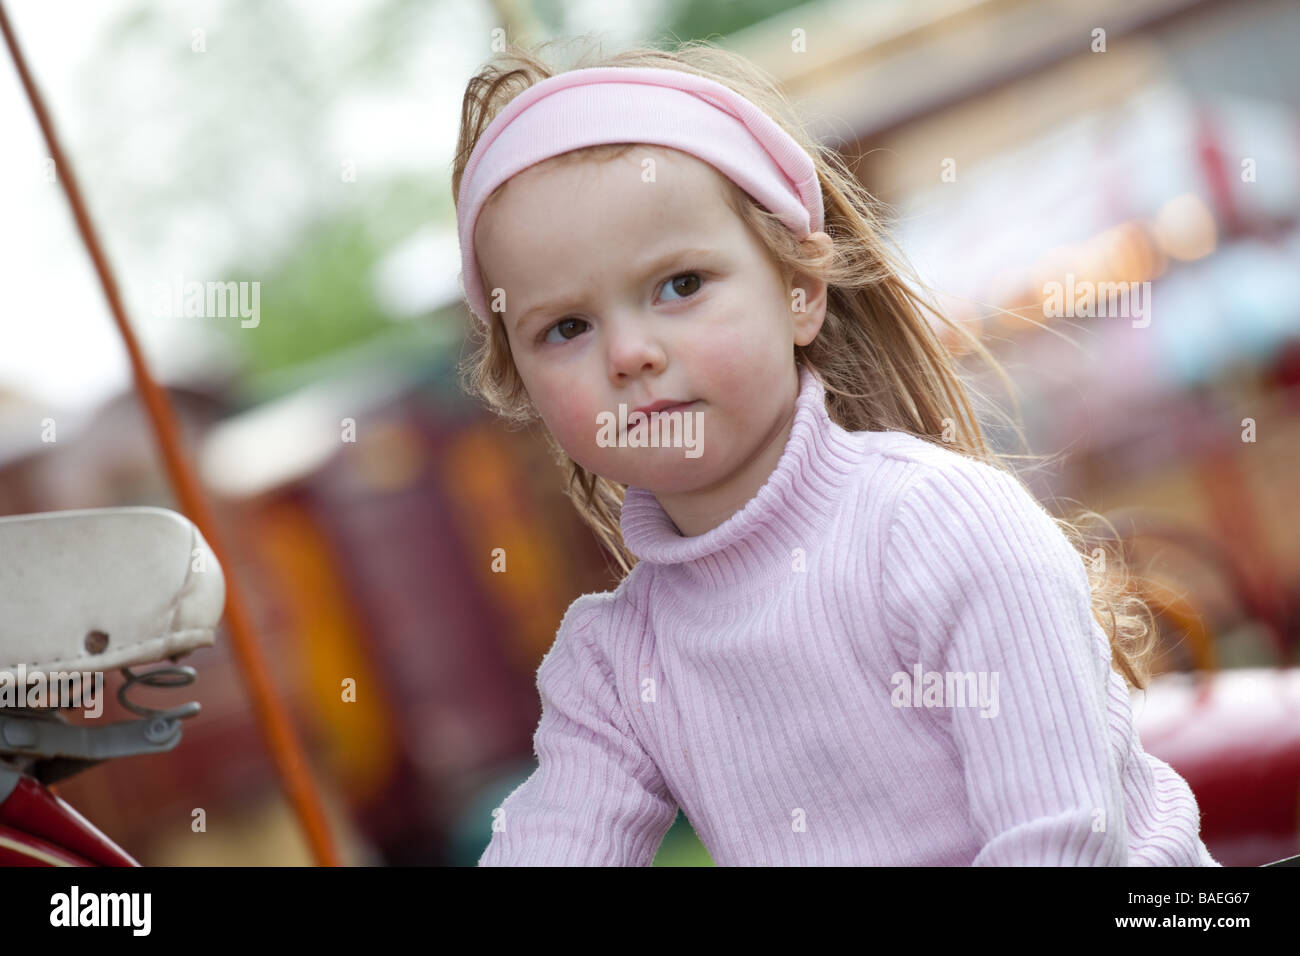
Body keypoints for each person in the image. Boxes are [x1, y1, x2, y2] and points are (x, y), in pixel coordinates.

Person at [452, 37, 1220, 866]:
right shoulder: (612, 669)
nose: (629, 352)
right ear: (521, 387)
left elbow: (1064, 840)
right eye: (567, 327)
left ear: (801, 292)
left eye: (679, 285)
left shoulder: (937, 529)